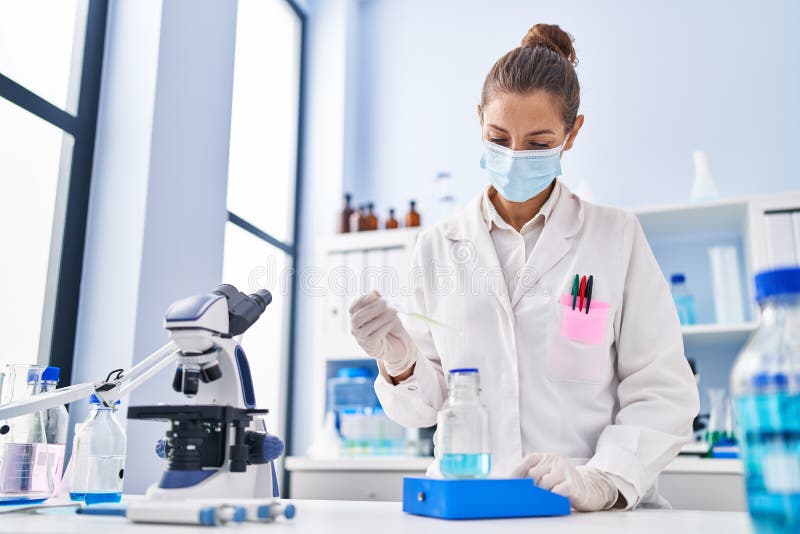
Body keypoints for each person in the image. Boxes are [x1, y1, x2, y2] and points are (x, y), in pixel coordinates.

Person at [348, 23, 699, 511]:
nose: (514, 157)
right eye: (498, 138)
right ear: (479, 121)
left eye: (537, 144)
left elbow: (662, 389)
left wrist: (602, 479)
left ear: (572, 134)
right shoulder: (437, 247)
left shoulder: (614, 237)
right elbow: (423, 408)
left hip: (580, 512)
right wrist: (399, 362)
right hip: (466, 502)